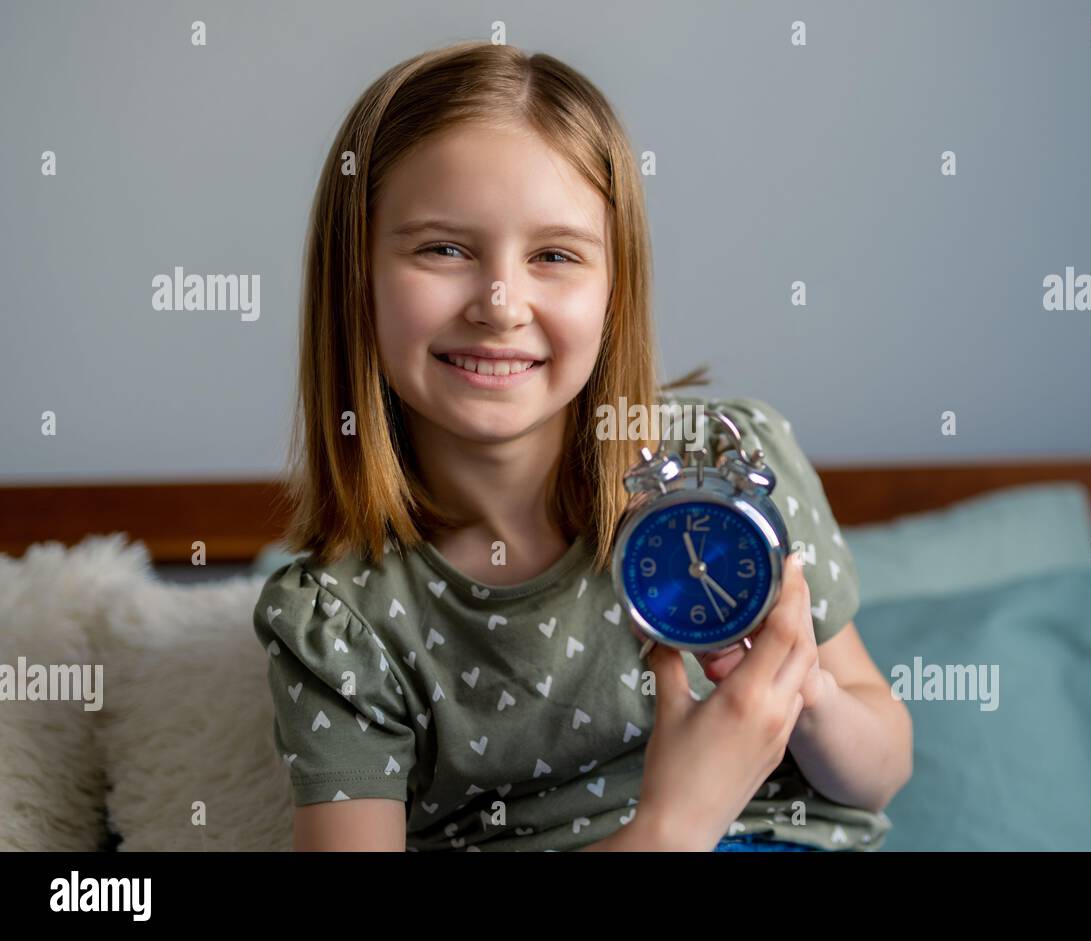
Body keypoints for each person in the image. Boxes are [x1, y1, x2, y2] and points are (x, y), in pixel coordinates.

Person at [251, 40, 911, 852]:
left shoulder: (730, 462)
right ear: (355, 276)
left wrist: (796, 694)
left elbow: (882, 764)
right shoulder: (340, 622)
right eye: (443, 248)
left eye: (554, 256)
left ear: (614, 287)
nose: (500, 303)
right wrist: (677, 822)